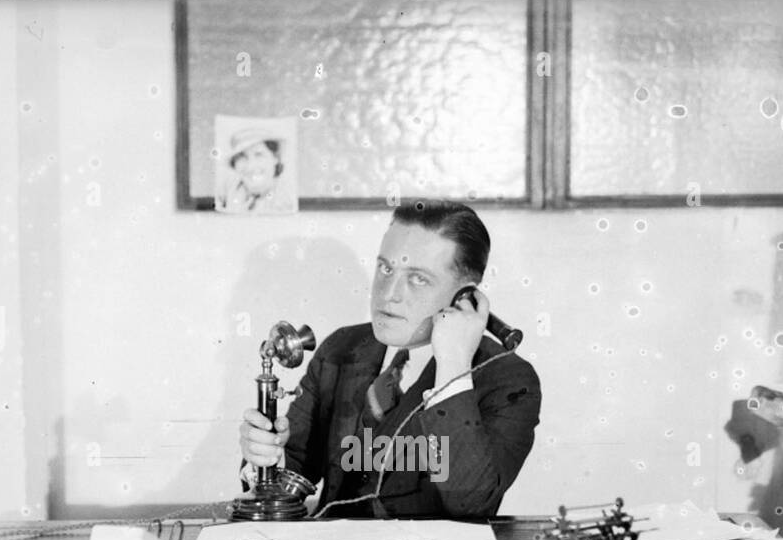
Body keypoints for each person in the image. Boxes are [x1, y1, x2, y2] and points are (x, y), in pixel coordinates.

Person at [239, 200, 542, 518]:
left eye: (418, 279)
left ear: (463, 296)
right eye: (385, 269)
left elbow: (472, 504)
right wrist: (265, 458)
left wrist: (453, 367)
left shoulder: (508, 379)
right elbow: (295, 470)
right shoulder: (341, 349)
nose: (389, 293)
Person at [216, 126, 297, 214]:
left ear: (275, 158)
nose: (251, 166)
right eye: (242, 157)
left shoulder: (288, 197)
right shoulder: (227, 194)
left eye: (259, 155)